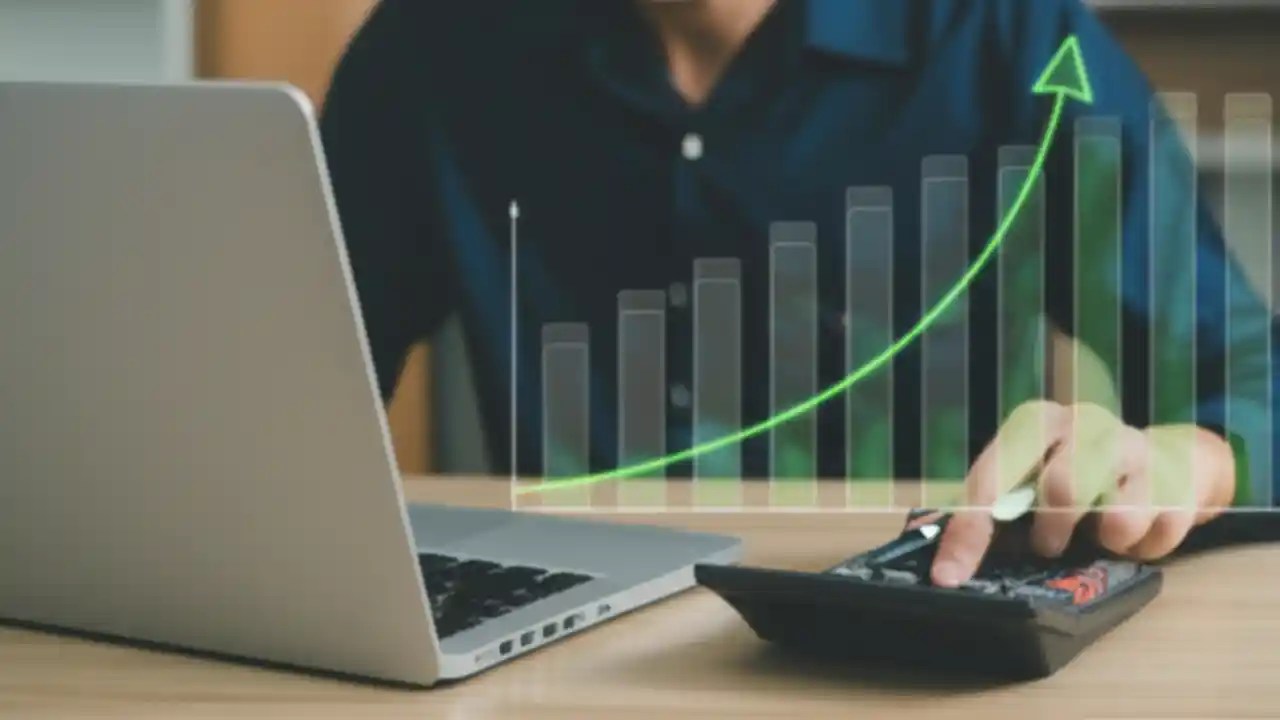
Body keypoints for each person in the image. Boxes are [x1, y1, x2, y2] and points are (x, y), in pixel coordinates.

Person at [320, 0, 1279, 587]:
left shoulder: (998, 26)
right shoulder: (431, 47)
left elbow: (1245, 368)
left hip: (916, 636)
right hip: (555, 649)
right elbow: (285, 396)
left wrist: (1191, 458)